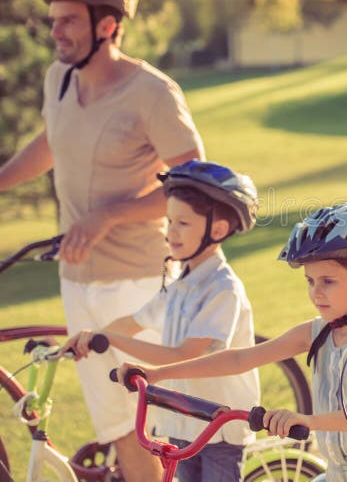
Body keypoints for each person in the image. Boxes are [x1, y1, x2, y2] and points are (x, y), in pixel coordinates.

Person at [0, 0, 205, 481]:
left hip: (136, 282)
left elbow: (195, 188)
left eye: (68, 20)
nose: (55, 32)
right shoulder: (59, 80)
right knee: (114, 423)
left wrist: (110, 216)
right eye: (53, 21)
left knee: (144, 424)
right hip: (77, 282)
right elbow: (52, 142)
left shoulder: (152, 93)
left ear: (107, 25)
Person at [117, 202, 347, 482]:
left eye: (328, 282)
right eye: (310, 281)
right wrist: (158, 374)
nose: (315, 292)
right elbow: (239, 359)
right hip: (337, 474)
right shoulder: (317, 332)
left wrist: (307, 420)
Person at [62, 160, 261, 482]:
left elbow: (185, 355)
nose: (171, 232)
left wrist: (112, 340)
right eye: (169, 221)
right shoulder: (180, 283)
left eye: (182, 222)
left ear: (218, 230)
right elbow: (133, 321)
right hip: (183, 421)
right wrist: (91, 335)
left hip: (218, 426)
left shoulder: (223, 289)